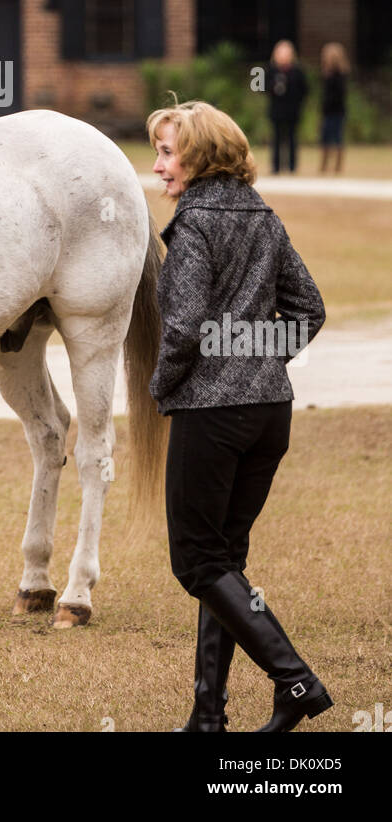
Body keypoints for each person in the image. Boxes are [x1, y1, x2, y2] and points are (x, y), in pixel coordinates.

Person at [147, 99, 330, 733]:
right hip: (268, 414)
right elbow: (308, 308)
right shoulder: (263, 215)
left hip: (213, 414)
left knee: (198, 561)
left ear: (197, 155)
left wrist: (163, 385)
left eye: (168, 152)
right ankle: (207, 716)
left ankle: (296, 681)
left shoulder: (194, 224)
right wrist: (254, 356)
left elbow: (185, 325)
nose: (157, 165)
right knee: (222, 559)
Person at [266, 40, 307, 174]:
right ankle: (276, 167)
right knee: (276, 139)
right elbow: (258, 88)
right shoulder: (269, 70)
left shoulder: (297, 71)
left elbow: (305, 90)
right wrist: (273, 86)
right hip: (276, 111)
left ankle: (292, 167)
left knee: (292, 139)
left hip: (292, 111)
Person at [319, 43, 349, 174]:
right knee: (325, 138)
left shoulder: (340, 76)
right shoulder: (326, 75)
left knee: (337, 138)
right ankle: (324, 164)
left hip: (336, 112)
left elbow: (339, 95)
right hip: (327, 112)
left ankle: (337, 166)